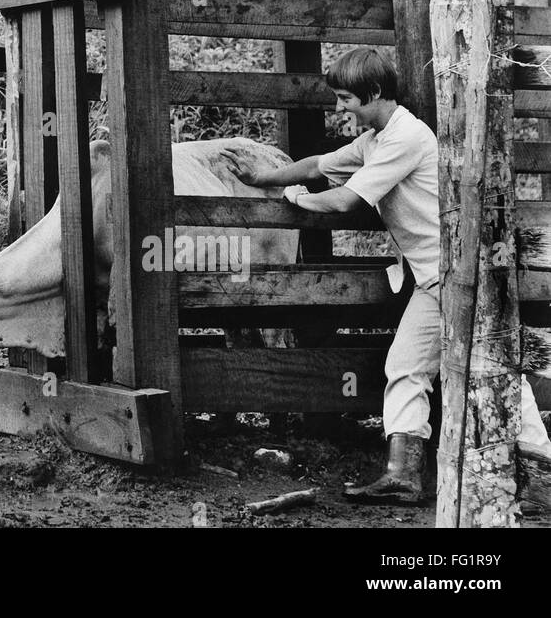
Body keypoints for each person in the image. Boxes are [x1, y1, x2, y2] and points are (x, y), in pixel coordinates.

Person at [233, 46, 551, 505]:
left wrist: (297, 200)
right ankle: (403, 475)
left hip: (466, 274)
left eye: (345, 98)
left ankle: (538, 467)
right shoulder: (376, 140)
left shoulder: (407, 137)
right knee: (406, 367)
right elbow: (320, 164)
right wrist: (264, 178)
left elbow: (346, 200)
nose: (339, 107)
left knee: (496, 369)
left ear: (375, 92)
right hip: (435, 278)